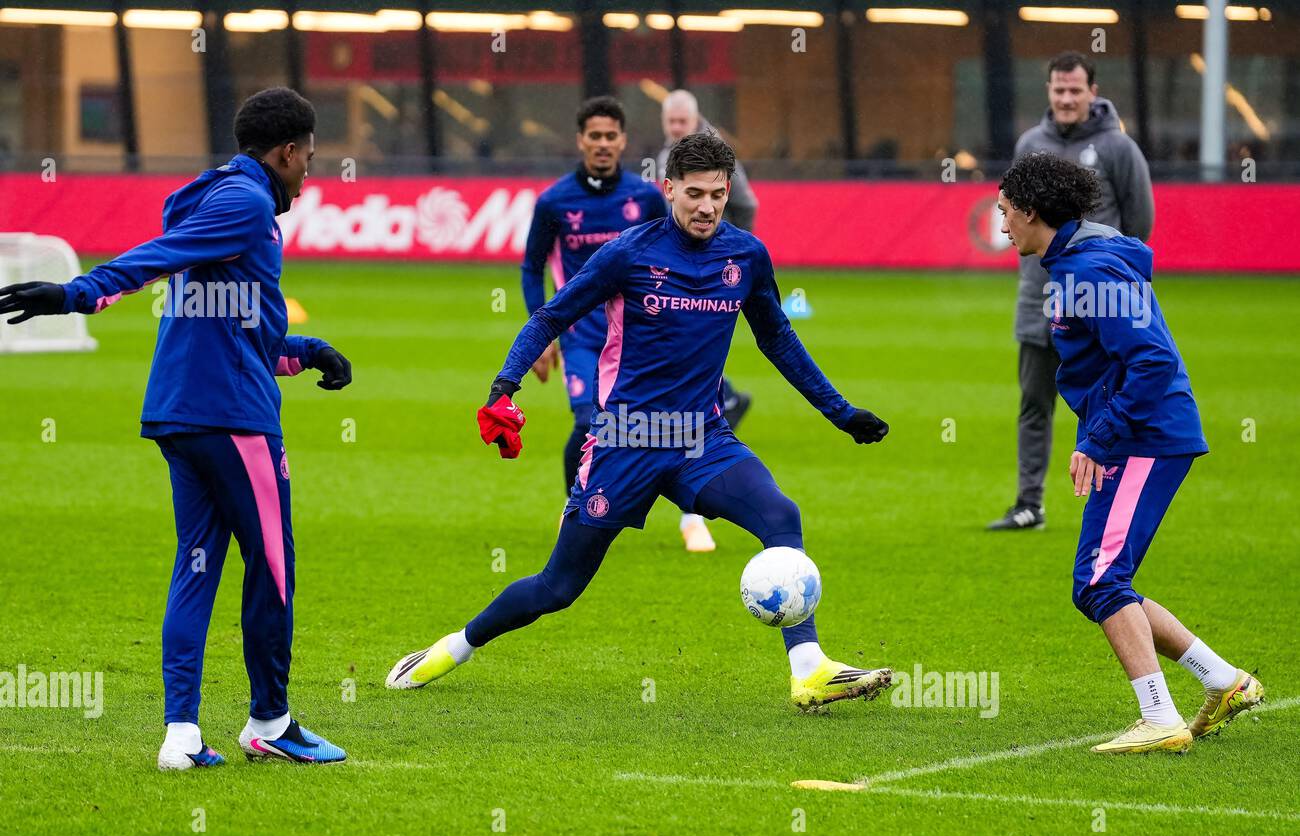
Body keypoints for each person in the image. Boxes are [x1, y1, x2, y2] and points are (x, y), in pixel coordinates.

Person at [388, 132, 892, 712]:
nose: (707, 207)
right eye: (695, 193)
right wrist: (504, 387)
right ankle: (454, 647)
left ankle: (809, 670)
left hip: (702, 439)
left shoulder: (746, 256)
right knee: (558, 589)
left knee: (782, 515)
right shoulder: (629, 253)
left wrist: (840, 412)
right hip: (625, 441)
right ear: (669, 189)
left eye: (718, 195)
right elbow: (552, 315)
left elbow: (777, 337)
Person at [0, 87, 352, 770]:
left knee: (196, 567)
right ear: (285, 152)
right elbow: (157, 257)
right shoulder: (247, 206)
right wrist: (76, 294)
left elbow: (229, 329)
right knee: (274, 570)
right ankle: (271, 722)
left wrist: (308, 353)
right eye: (307, 159)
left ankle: (181, 737)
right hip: (233, 421)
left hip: (181, 413)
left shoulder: (206, 193)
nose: (308, 175)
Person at [996, 152, 1263, 754]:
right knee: (1103, 580)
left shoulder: (1089, 271)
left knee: (1099, 581)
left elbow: (1151, 361)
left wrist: (1098, 437)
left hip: (1144, 437)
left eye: (1006, 211)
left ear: (1033, 211)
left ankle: (1160, 718)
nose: (1002, 224)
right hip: (1134, 434)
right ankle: (1226, 682)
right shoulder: (1071, 262)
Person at [522, 96, 722, 552]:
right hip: (582, 334)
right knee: (588, 420)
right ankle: (576, 512)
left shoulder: (645, 197)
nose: (603, 144)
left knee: (671, 419)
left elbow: (677, 252)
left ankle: (692, 517)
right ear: (581, 141)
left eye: (611, 136)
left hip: (644, 335)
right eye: (595, 136)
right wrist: (541, 336)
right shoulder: (554, 202)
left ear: (623, 140)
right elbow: (532, 268)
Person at [989, 52, 1154, 531]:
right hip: (1038, 301)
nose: (1065, 99)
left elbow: (1138, 224)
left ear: (1092, 92)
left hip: (1096, 305)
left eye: (1074, 90)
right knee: (1034, 403)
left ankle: (1110, 502)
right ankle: (1028, 504)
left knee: (1104, 400)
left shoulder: (1118, 149)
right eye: (1058, 90)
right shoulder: (1030, 143)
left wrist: (1111, 278)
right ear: (1048, 92)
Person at [658, 90, 759, 233]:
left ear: (695, 119)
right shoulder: (666, 153)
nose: (676, 128)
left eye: (682, 121)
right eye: (671, 121)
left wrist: (737, 245)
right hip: (680, 247)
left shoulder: (717, 153)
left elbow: (744, 204)